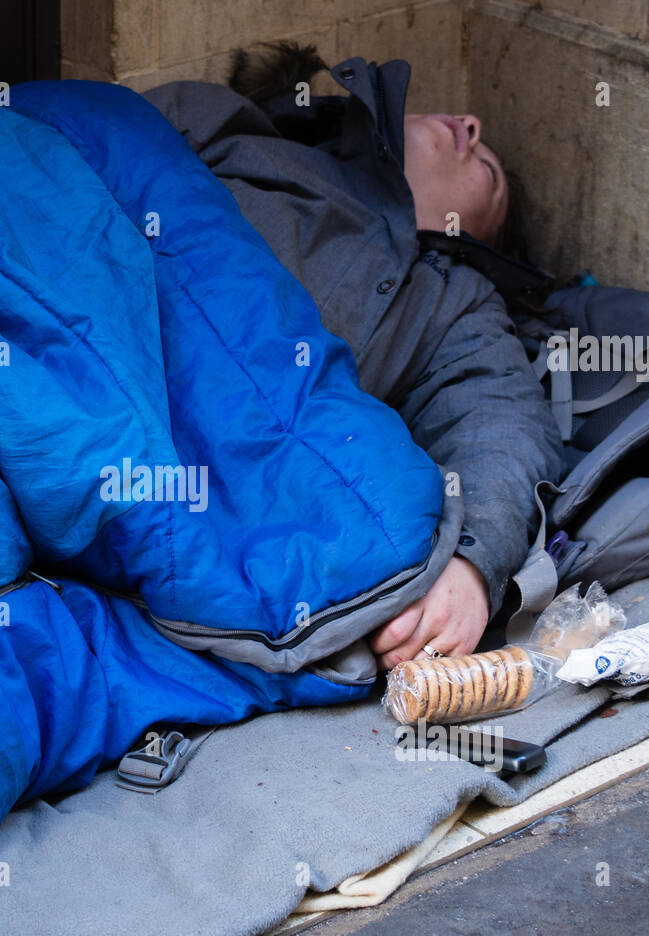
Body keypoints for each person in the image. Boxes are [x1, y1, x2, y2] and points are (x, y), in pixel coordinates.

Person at [143, 43, 563, 669]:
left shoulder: (449, 307)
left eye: (491, 172)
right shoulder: (241, 129)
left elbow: (500, 423)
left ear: (473, 238)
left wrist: (474, 567)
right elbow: (80, 151)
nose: (471, 126)